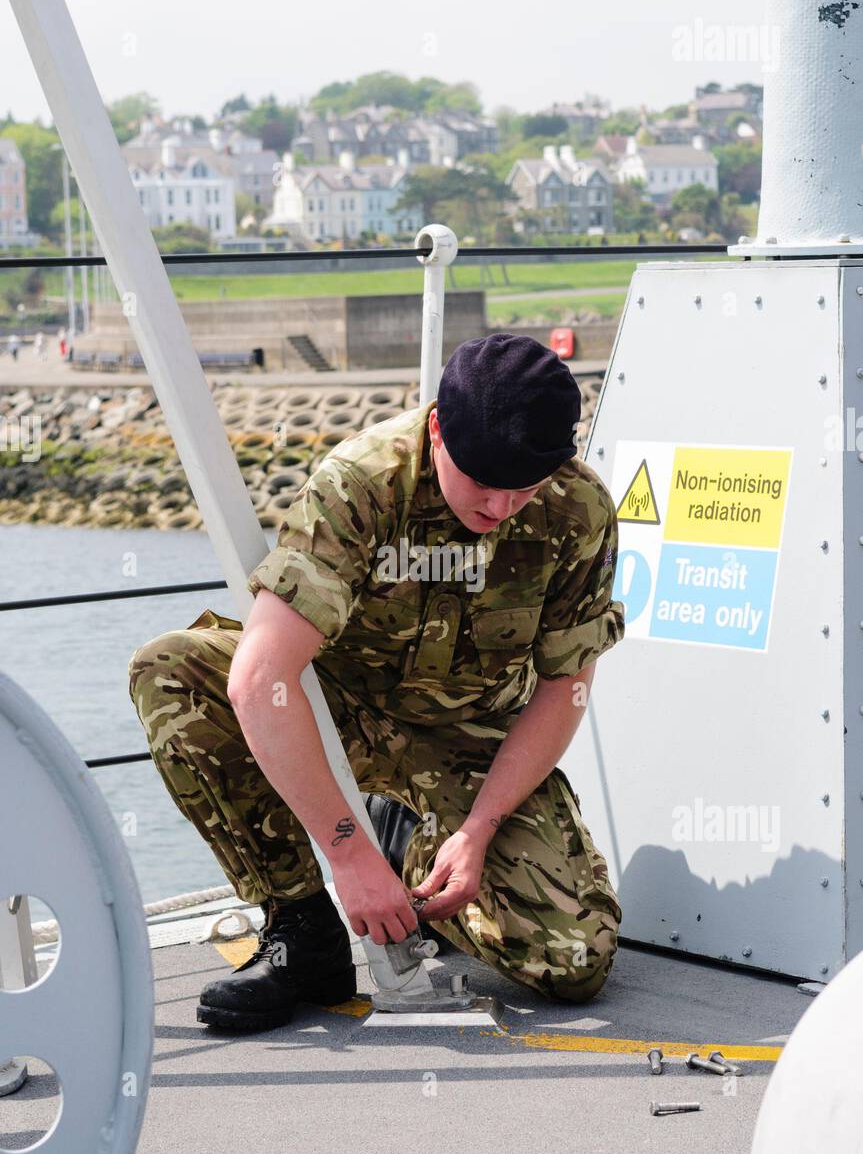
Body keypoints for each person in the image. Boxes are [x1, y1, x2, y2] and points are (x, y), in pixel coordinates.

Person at [128, 333, 626, 1032]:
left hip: (467, 740)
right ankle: (302, 933)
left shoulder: (578, 511)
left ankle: (411, 844)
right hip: (334, 716)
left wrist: (479, 830)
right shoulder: (364, 484)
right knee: (172, 671)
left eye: (524, 487)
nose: (500, 506)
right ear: (435, 428)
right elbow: (261, 676)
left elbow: (563, 689)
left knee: (573, 963)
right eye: (482, 480)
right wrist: (346, 856)